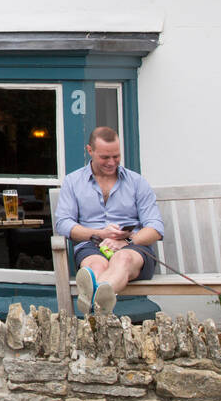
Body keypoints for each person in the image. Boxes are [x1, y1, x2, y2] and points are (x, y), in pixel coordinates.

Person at [53, 127, 164, 316]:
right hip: (92, 245)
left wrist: (128, 241)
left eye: (116, 156)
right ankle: (100, 308)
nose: (112, 162)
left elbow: (156, 228)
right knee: (95, 267)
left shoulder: (137, 182)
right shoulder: (73, 181)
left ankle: (91, 307)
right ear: (90, 151)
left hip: (134, 249)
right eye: (105, 157)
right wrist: (100, 234)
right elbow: (63, 224)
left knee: (123, 258)